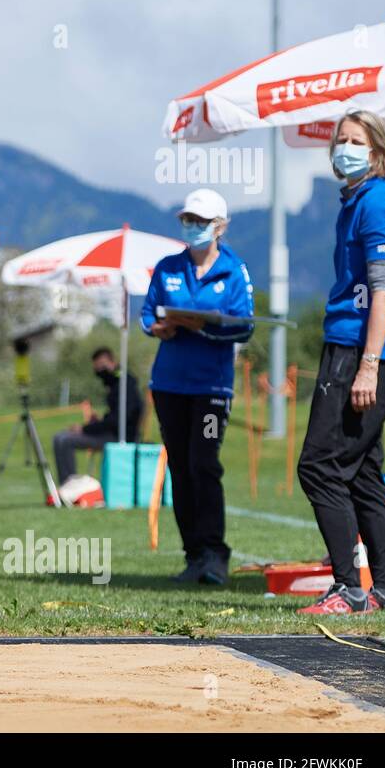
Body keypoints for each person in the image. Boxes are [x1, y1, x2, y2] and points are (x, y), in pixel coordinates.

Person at [295, 110, 385, 615]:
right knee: (363, 470)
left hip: (363, 351)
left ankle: (348, 587)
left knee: (319, 466)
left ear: (379, 152)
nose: (345, 147)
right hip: (351, 345)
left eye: (356, 140)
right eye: (340, 139)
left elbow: (383, 290)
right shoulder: (356, 201)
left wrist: (367, 366)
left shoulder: (380, 204)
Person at [140, 188, 253, 586]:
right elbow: (147, 313)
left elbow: (246, 326)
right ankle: (193, 555)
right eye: (187, 220)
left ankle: (214, 554)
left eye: (201, 222)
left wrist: (205, 325)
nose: (193, 228)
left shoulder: (234, 271)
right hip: (170, 386)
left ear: (220, 226)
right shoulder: (168, 267)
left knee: (204, 462)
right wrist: (159, 327)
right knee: (181, 467)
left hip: (211, 390)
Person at [52, 347, 141, 487]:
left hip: (120, 437)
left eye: (103, 366)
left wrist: (85, 429)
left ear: (113, 362)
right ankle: (67, 485)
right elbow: (113, 417)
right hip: (110, 432)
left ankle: (70, 488)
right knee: (60, 437)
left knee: (64, 440)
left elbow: (118, 420)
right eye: (97, 368)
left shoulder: (125, 384)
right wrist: (98, 422)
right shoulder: (115, 383)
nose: (100, 371)